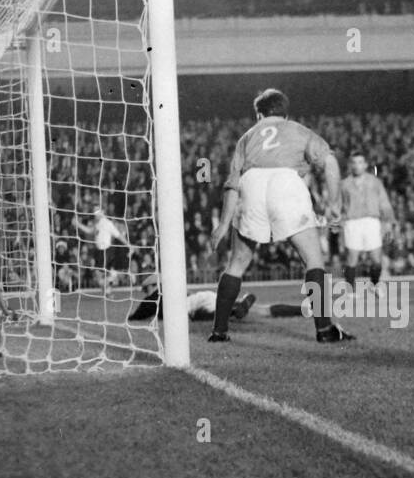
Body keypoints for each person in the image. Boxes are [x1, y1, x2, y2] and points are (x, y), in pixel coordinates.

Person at [207, 88, 354, 344]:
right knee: (313, 260)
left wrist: (222, 224)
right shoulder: (298, 130)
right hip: (286, 182)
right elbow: (330, 162)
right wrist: (334, 203)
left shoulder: (246, 137)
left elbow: (232, 183)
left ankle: (219, 332)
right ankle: (324, 330)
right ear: (285, 114)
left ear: (259, 114)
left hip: (251, 184)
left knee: (237, 263)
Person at [340, 152, 395, 290]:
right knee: (352, 257)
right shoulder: (344, 184)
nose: (357, 165)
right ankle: (350, 290)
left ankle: (375, 285)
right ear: (350, 165)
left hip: (372, 221)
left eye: (360, 162)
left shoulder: (375, 182)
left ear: (365, 165)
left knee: (376, 258)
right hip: (352, 222)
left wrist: (388, 222)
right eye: (354, 162)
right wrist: (338, 221)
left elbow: (384, 202)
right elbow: (338, 205)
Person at [128, 272, 255, 324]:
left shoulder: (148, 301)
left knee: (207, 309)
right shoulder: (170, 289)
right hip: (190, 302)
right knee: (210, 299)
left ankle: (233, 310)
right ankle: (236, 307)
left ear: (151, 286)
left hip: (183, 310)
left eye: (146, 289)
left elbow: (135, 317)